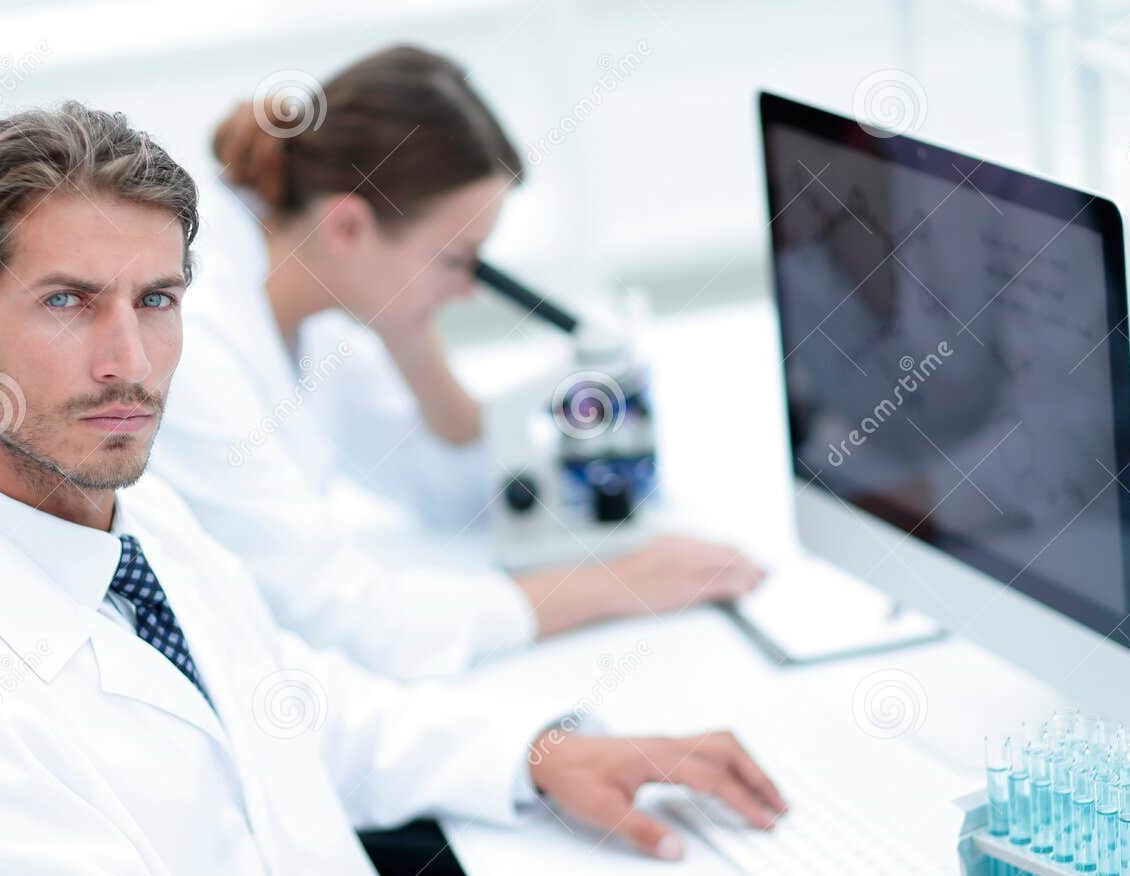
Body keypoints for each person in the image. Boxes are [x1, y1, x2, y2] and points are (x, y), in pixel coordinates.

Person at [0, 102, 859, 876]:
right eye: (69, 302)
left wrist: (539, 754)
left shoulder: (127, 507)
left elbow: (294, 705)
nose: (130, 361)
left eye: (156, 299)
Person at [148, 45, 765, 681]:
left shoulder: (314, 290)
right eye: (457, 259)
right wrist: (619, 585)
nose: (469, 288)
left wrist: (409, 328)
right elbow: (348, 621)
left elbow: (455, 494)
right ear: (349, 226)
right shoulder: (193, 345)